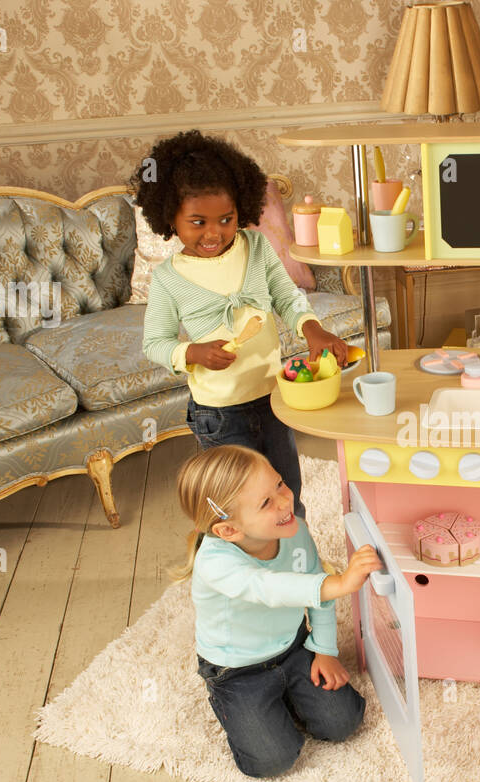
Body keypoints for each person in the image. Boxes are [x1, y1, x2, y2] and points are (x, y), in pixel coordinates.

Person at [135, 129, 348, 516]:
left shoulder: (257, 247)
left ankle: (294, 543)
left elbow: (286, 297)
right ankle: (239, 550)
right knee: (240, 504)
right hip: (219, 413)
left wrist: (312, 329)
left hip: (273, 395)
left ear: (240, 209)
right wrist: (193, 352)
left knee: (286, 489)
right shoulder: (168, 278)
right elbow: (155, 343)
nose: (213, 232)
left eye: (226, 219)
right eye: (198, 222)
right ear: (171, 218)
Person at [174, 444, 382, 779]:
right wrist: (341, 583)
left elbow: (314, 586)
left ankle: (285, 695)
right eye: (266, 503)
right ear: (229, 530)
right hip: (237, 669)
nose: (285, 501)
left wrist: (324, 650)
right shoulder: (215, 563)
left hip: (293, 646)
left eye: (280, 484)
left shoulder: (294, 531)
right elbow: (271, 588)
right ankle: (234, 702)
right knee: (273, 759)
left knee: (344, 721)